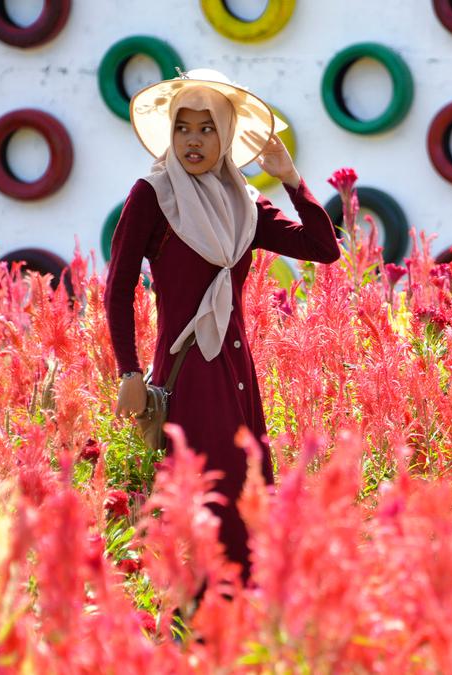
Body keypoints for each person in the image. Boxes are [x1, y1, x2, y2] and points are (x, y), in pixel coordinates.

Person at [105, 69, 340, 579]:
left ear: (228, 135)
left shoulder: (245, 205)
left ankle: (247, 615)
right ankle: (199, 615)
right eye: (183, 127)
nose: (193, 140)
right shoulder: (153, 195)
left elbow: (323, 249)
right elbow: (118, 288)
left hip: (237, 376)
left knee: (247, 496)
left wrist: (291, 179)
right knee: (202, 499)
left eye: (208, 128)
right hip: (187, 375)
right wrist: (128, 372)